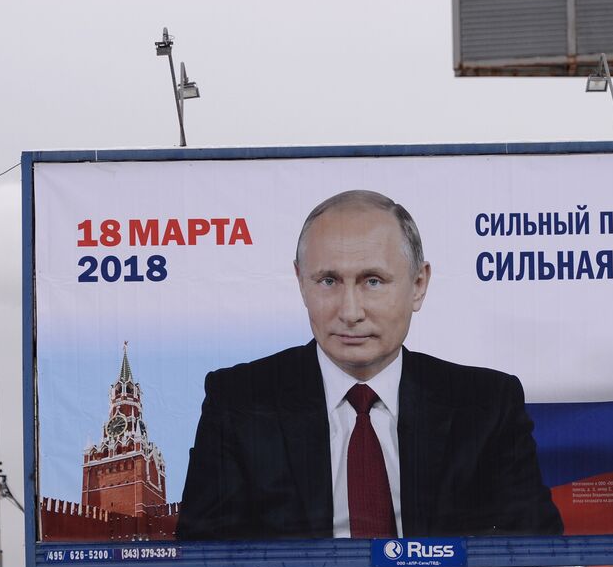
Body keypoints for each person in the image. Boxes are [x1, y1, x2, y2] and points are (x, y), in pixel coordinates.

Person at [176, 189, 563, 541]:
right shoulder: (239, 401)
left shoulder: (486, 404)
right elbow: (205, 554)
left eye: (373, 281)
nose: (350, 312)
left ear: (418, 285)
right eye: (328, 281)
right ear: (300, 282)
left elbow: (533, 547)